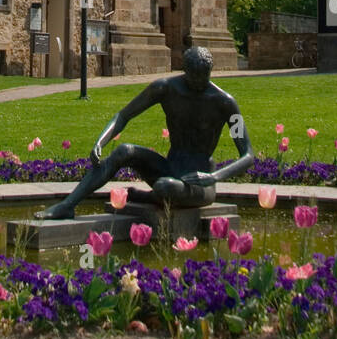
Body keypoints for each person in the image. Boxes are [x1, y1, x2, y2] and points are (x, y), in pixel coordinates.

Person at [36, 45, 254, 220]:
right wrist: (101, 141)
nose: (199, 84)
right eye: (194, 78)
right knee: (124, 150)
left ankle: (149, 196)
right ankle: (67, 205)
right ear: (185, 71)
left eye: (203, 78)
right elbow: (123, 115)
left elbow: (247, 155)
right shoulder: (165, 88)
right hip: (169, 167)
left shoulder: (224, 102)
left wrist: (213, 177)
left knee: (165, 186)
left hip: (199, 184)